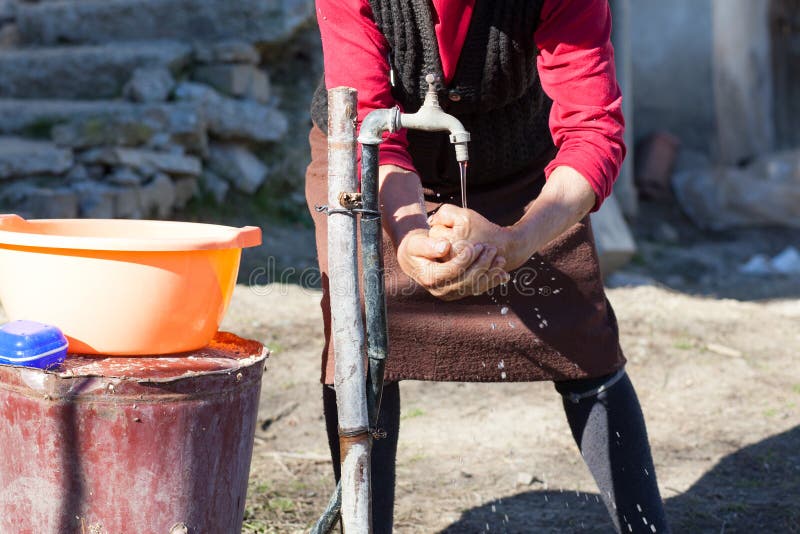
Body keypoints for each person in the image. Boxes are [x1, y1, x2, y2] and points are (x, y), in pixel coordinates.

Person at [306, 0, 670, 532]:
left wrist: (518, 241)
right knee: (358, 340)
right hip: (367, 162)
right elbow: (371, 124)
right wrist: (408, 238)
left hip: (519, 168)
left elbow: (594, 130)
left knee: (583, 340)